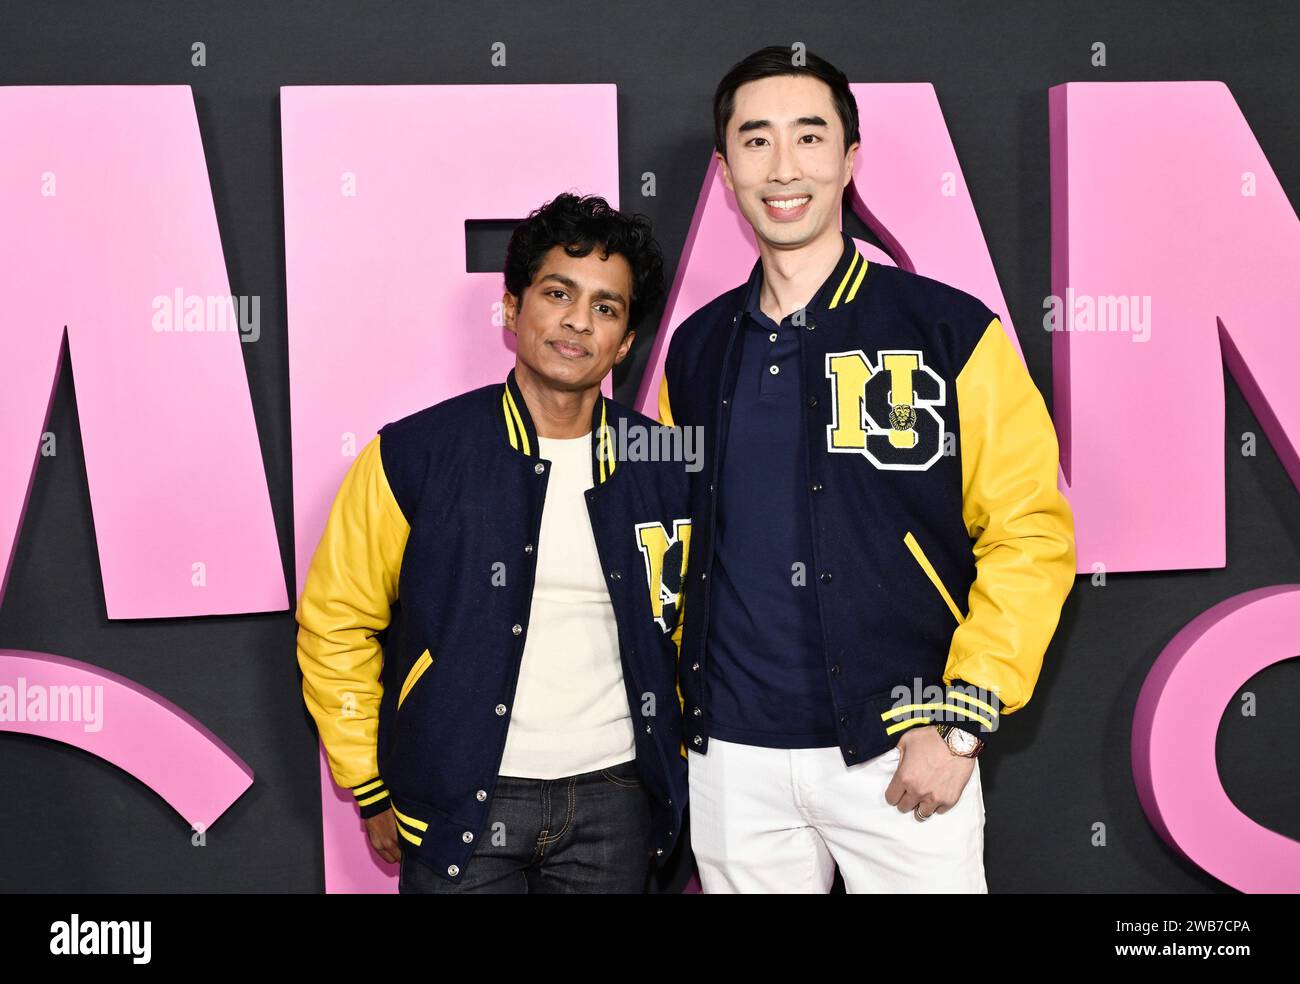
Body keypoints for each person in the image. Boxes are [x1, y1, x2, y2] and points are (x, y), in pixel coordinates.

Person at [658, 46, 1077, 893]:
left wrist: (961, 724)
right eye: (756, 140)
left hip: (902, 752)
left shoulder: (949, 329)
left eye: (810, 138)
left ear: (850, 160)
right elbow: (669, 541)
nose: (785, 168)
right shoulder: (695, 349)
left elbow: (1029, 531)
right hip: (732, 762)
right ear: (724, 167)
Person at [296, 193, 691, 893]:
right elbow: (336, 623)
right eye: (558, 293)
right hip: (461, 801)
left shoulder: (666, 465)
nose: (578, 320)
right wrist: (368, 782)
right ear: (512, 310)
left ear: (626, 341)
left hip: (617, 801)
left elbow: (695, 631)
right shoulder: (414, 455)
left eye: (606, 307)